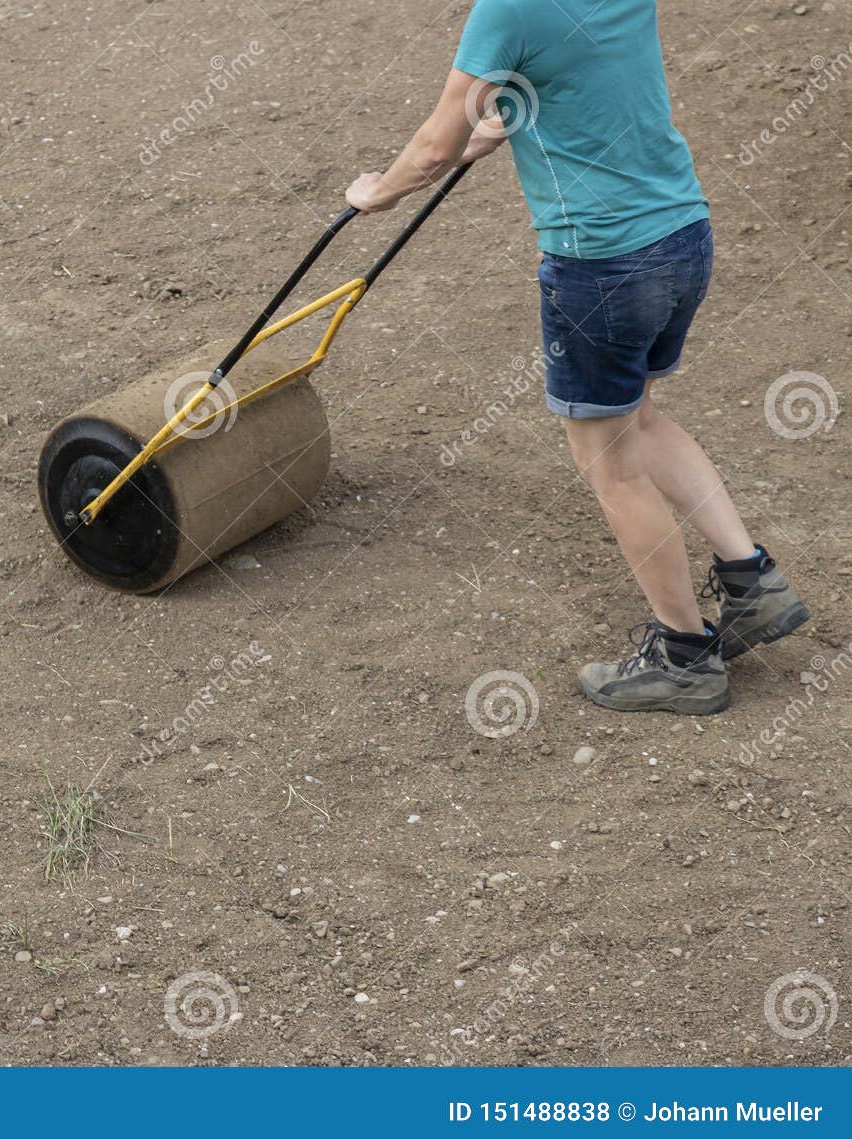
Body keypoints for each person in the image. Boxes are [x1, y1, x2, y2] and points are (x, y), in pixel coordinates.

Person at [344, 0, 808, 715]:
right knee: (642, 420)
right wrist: (516, 109)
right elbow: (585, 67)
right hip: (683, 235)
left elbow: (436, 147)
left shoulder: (506, 10)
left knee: (609, 461)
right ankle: (752, 582)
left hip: (603, 264)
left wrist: (377, 193)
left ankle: (686, 658)